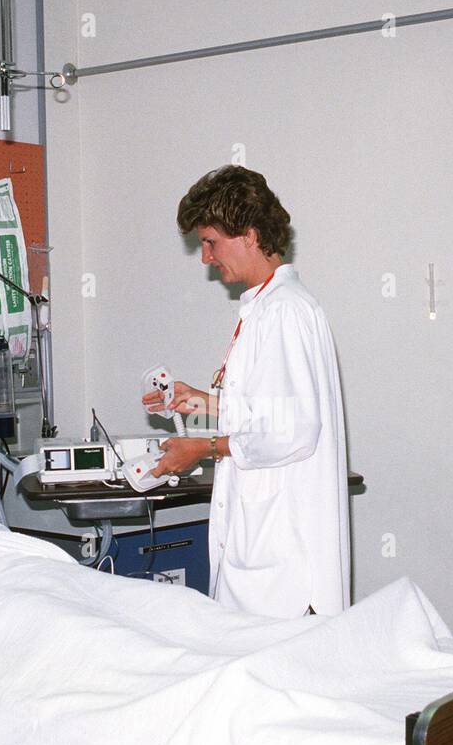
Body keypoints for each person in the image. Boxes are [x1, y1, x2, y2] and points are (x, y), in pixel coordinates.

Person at [142, 166, 349, 617]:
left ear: (250, 236)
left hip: (285, 571)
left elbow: (294, 432)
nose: (205, 258)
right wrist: (192, 402)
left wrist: (199, 450)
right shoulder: (265, 309)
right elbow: (264, 416)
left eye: (211, 242)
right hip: (267, 556)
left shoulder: (284, 314)